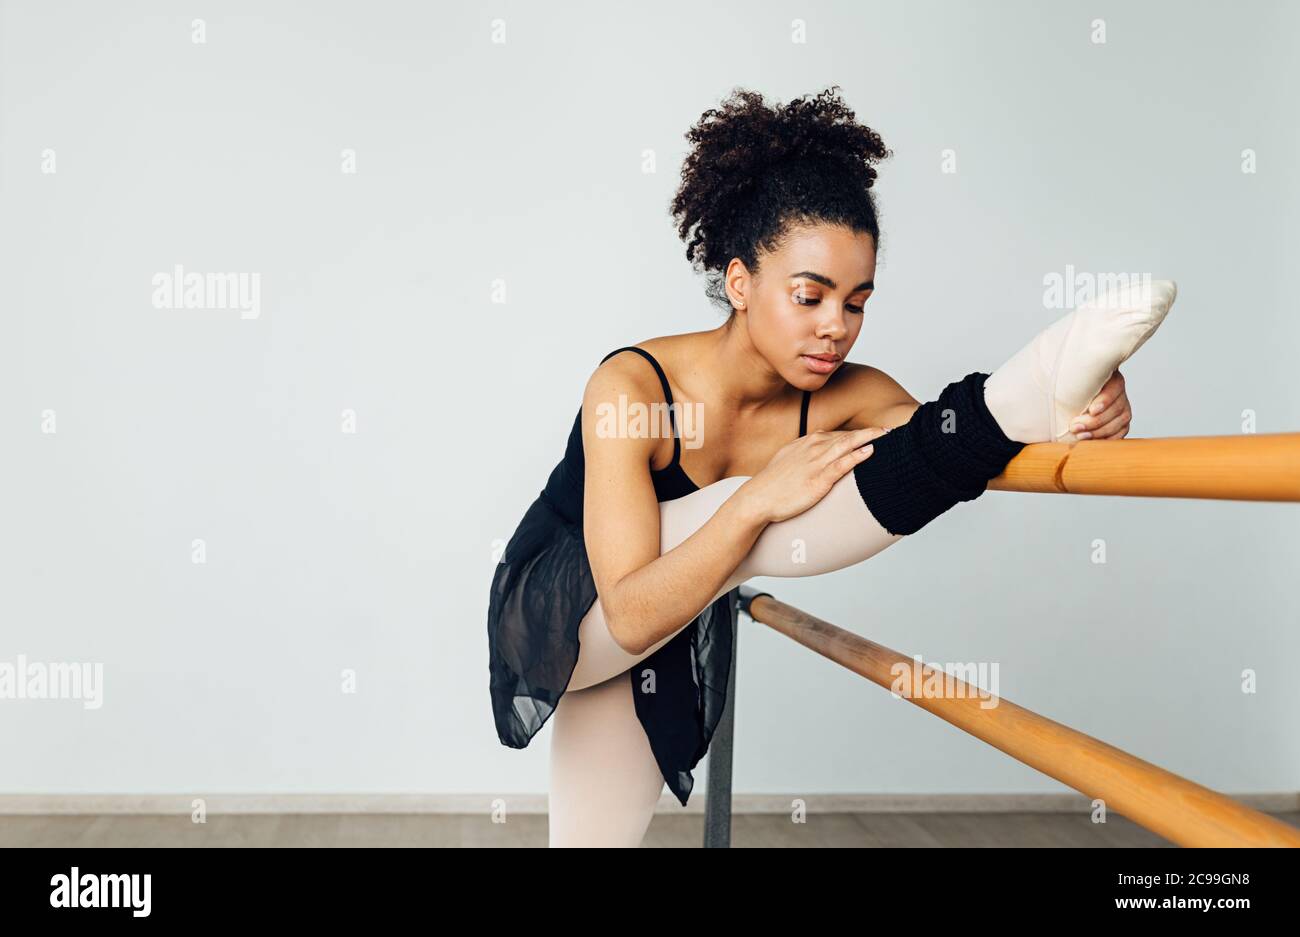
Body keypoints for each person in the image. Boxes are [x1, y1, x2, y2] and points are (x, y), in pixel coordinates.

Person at [486, 86, 1175, 847]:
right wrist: (756, 501)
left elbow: (947, 451)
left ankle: (1028, 393)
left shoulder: (851, 394)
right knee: (760, 505)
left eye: (856, 302)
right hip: (561, 609)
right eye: (810, 295)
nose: (834, 328)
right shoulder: (631, 386)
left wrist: (1079, 420)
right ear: (740, 282)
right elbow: (630, 612)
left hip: (664, 636)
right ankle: (1021, 389)